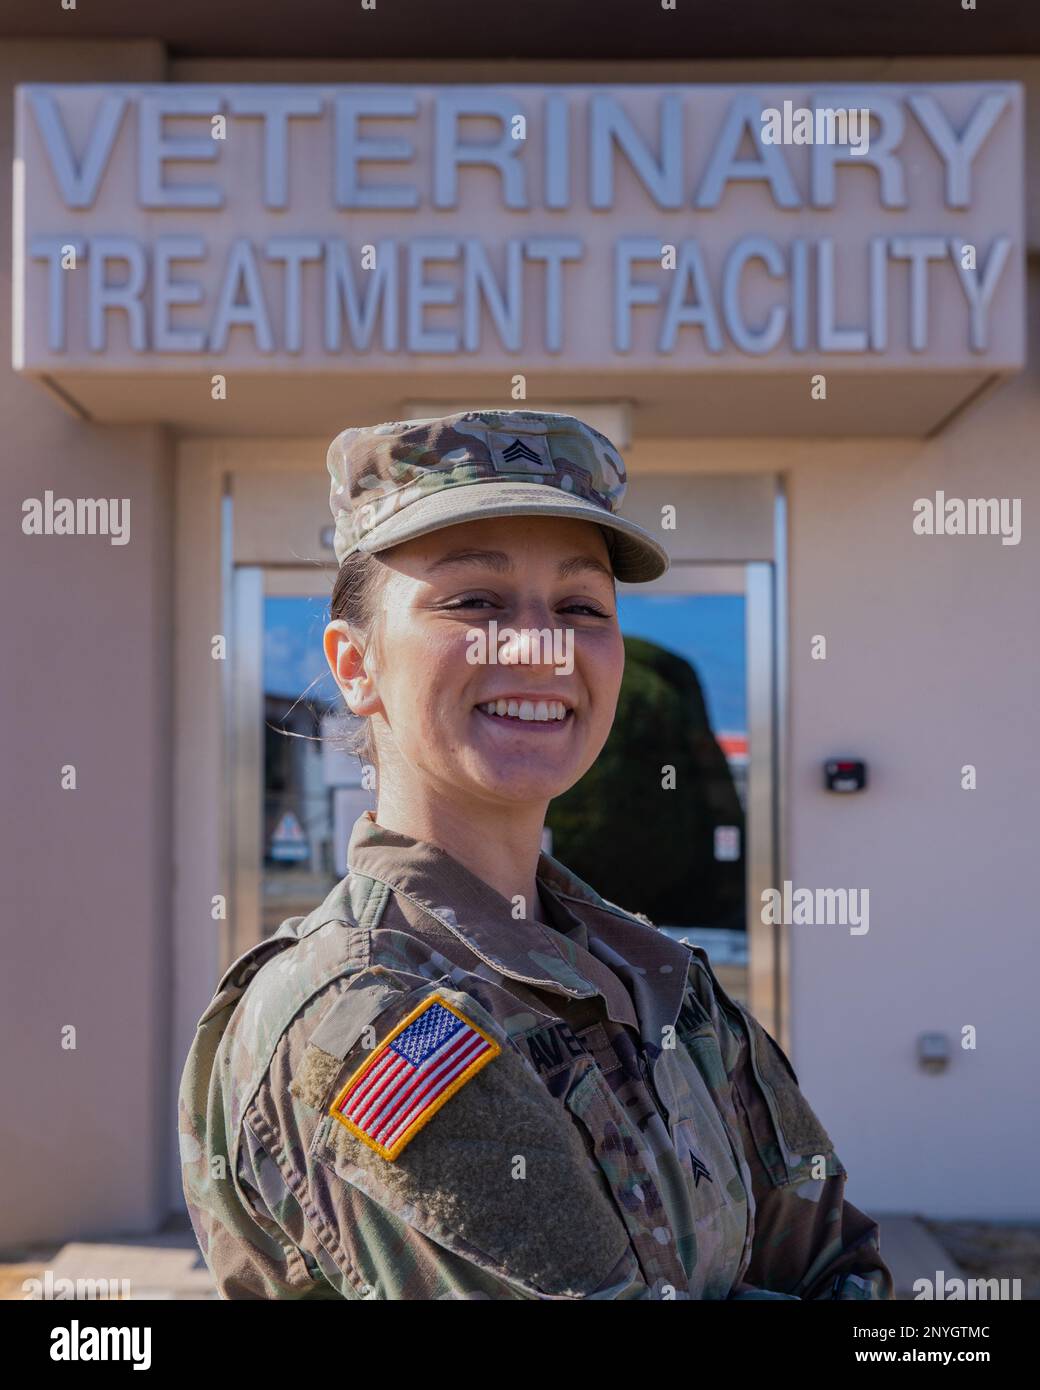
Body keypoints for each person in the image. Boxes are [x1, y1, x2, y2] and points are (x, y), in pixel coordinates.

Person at [178, 409, 894, 1300]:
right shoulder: (369, 1018)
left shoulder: (662, 979)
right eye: (474, 599)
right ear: (355, 665)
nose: (541, 643)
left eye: (580, 606)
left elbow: (843, 1267)